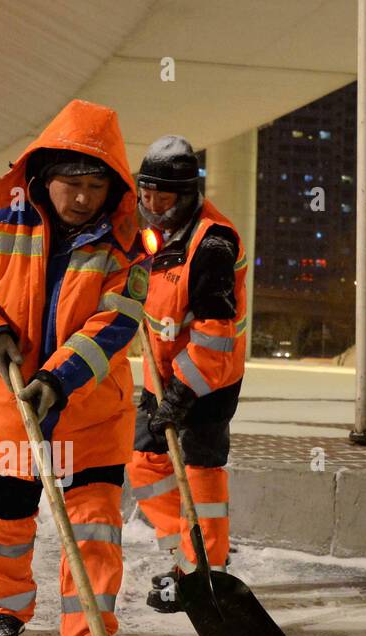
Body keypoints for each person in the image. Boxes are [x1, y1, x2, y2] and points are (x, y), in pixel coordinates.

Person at [0, 99, 150, 636]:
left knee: (94, 529)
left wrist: (59, 379)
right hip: (10, 405)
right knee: (4, 520)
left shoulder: (125, 248)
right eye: (71, 183)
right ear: (43, 178)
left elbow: (115, 323)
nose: (84, 197)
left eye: (96, 185)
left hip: (89, 412)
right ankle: (7, 608)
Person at [128, 135, 247, 611]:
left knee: (200, 474)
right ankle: (187, 553)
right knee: (143, 461)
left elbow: (216, 335)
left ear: (188, 194)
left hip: (208, 380)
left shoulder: (212, 243)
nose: (153, 205)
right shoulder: (154, 231)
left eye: (164, 196)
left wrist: (183, 393)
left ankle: (204, 572)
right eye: (146, 193)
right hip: (163, 377)